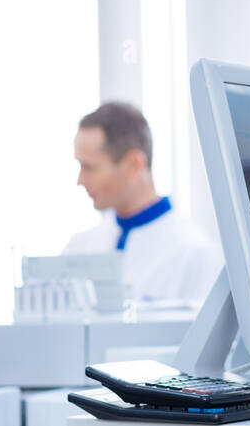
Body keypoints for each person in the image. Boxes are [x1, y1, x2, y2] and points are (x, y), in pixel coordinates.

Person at [64, 101, 219, 304]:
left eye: (89, 167)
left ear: (134, 164)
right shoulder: (79, 247)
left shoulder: (195, 255)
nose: (80, 181)